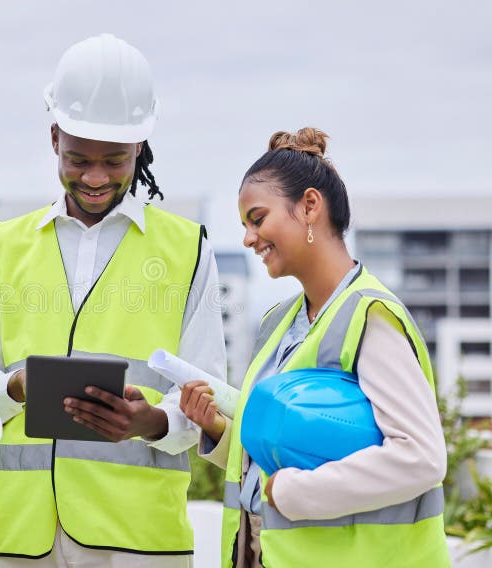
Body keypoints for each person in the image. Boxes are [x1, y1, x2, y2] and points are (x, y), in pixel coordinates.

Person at [0, 33, 226, 567]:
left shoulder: (188, 251)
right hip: (20, 540)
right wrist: (15, 387)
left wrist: (150, 422)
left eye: (115, 160)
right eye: (79, 159)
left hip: (138, 543)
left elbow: (205, 397)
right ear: (54, 136)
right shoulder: (4, 246)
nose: (96, 178)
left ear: (140, 149)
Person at [180, 127, 450, 567]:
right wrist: (218, 430)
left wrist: (292, 493)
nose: (248, 238)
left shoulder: (370, 316)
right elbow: (288, 451)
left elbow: (421, 458)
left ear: (309, 206)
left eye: (257, 218)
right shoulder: (277, 325)